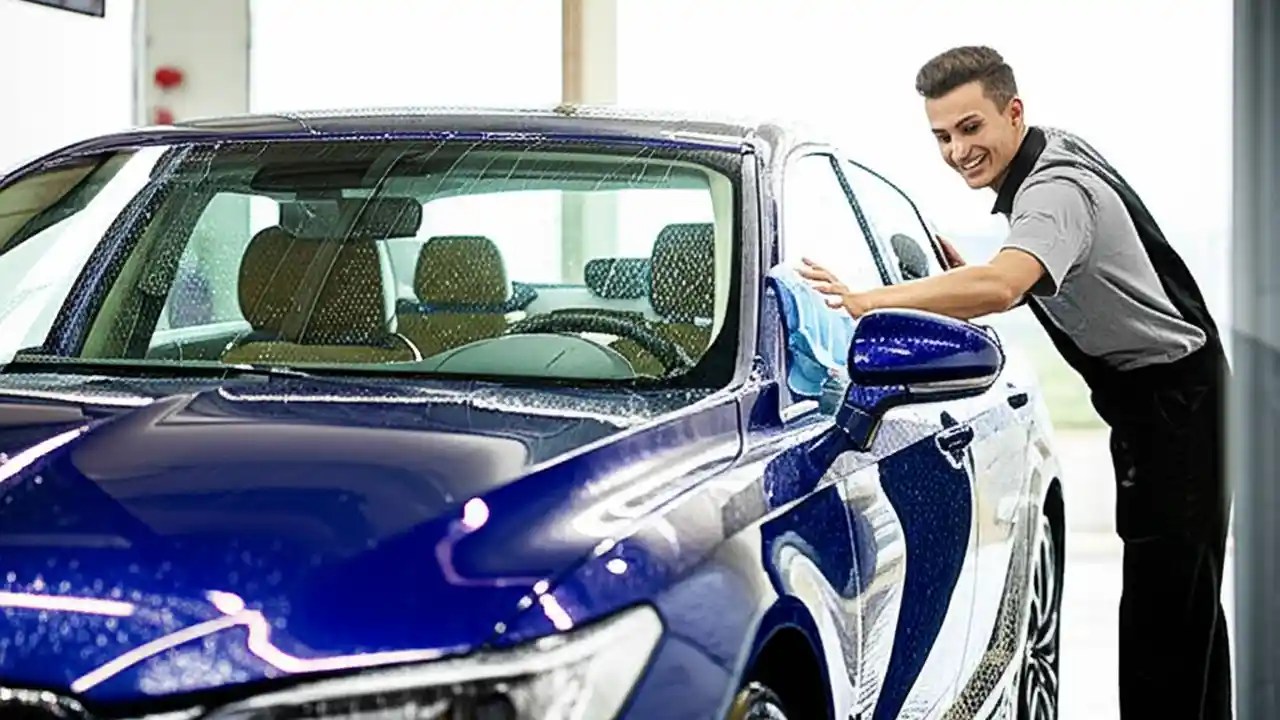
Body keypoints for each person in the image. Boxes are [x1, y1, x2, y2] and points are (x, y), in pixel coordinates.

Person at [799, 45, 1233, 720]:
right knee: (1185, 613)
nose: (957, 150)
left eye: (970, 128)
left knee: (1163, 620)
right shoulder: (1049, 161)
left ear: (1013, 112)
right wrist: (966, 273)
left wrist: (868, 301)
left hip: (1174, 402)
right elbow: (1040, 270)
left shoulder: (1053, 190)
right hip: (1168, 399)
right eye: (942, 136)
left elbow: (1005, 285)